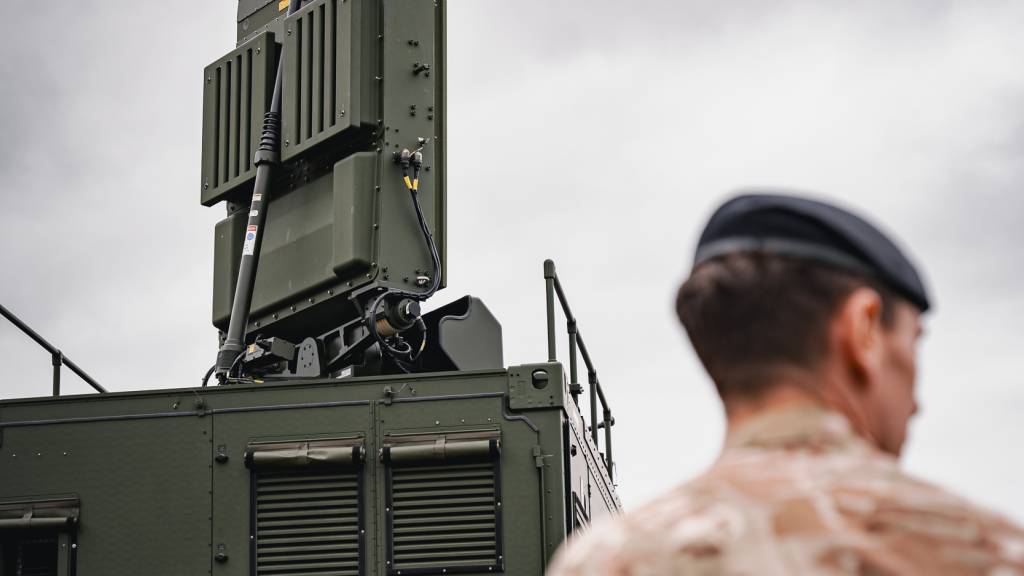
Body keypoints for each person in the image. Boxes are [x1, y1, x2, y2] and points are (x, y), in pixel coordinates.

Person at [547, 193, 1024, 575]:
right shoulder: (983, 550)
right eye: (914, 341)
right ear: (864, 329)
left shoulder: (604, 561)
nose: (917, 403)